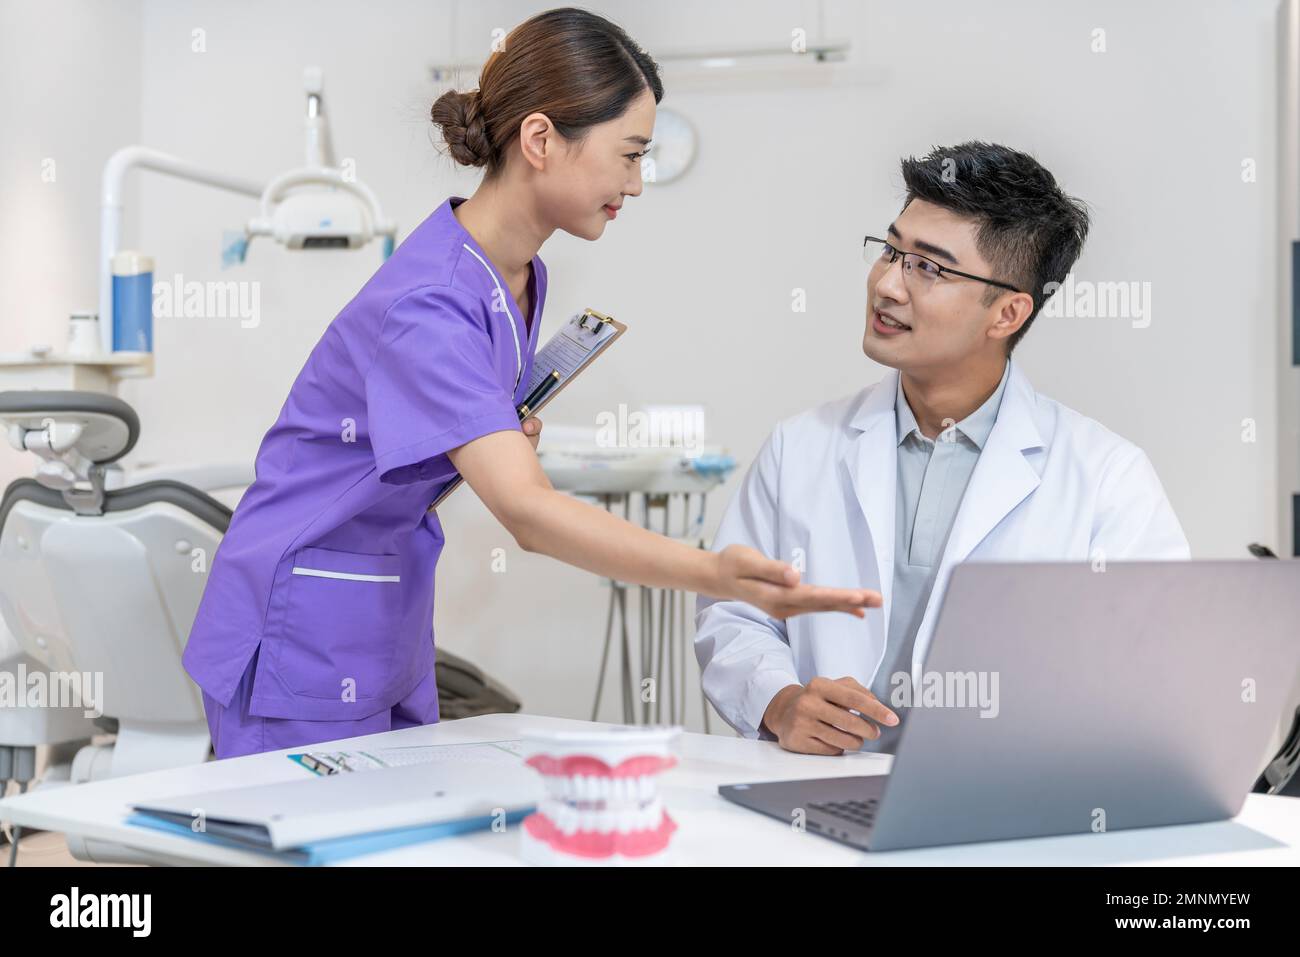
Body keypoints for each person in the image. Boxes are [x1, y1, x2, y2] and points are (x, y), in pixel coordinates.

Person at [183, 7, 878, 759]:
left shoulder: (517, 273)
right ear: (541, 139)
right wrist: (715, 573)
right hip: (302, 619)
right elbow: (527, 513)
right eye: (630, 155)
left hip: (380, 606)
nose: (637, 185)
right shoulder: (432, 303)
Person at [695, 141, 1190, 756]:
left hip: (1001, 812)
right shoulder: (801, 448)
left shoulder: (1107, 477)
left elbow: (1154, 669)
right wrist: (780, 700)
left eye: (929, 268)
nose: (888, 285)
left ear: (1007, 312)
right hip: (819, 791)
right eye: (891, 251)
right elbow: (734, 614)